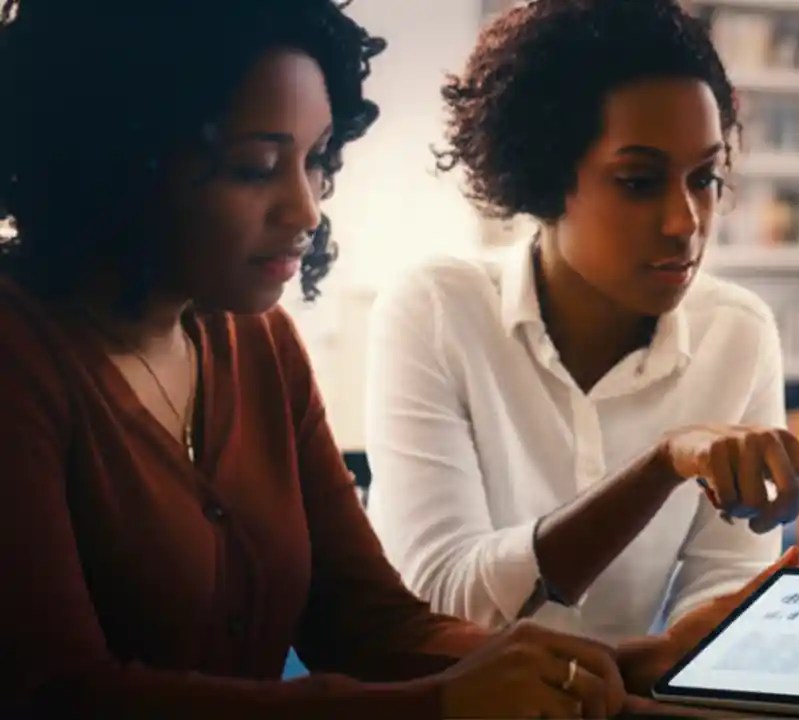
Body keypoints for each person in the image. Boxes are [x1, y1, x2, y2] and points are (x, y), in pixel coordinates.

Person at [0, 1, 634, 716]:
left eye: (317, 161)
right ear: (117, 162)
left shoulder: (260, 345)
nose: (305, 211)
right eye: (255, 168)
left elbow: (367, 622)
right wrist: (435, 706)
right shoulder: (19, 355)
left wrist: (596, 669)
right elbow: (61, 694)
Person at [364, 0, 799, 648]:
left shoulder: (737, 334)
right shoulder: (436, 310)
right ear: (546, 177)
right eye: (638, 182)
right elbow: (444, 602)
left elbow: (718, 596)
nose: (685, 222)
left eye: (705, 178)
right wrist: (659, 468)